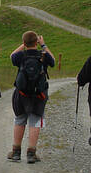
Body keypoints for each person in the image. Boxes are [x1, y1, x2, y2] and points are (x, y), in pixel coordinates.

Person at [7, 30, 56, 163]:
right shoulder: (43, 55)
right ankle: (31, 153)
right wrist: (43, 45)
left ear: (24, 43)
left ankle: (16, 152)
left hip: (21, 93)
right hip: (39, 95)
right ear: (36, 42)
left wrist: (23, 45)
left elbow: (12, 55)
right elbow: (53, 61)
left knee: (20, 120)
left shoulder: (21, 56)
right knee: (35, 122)